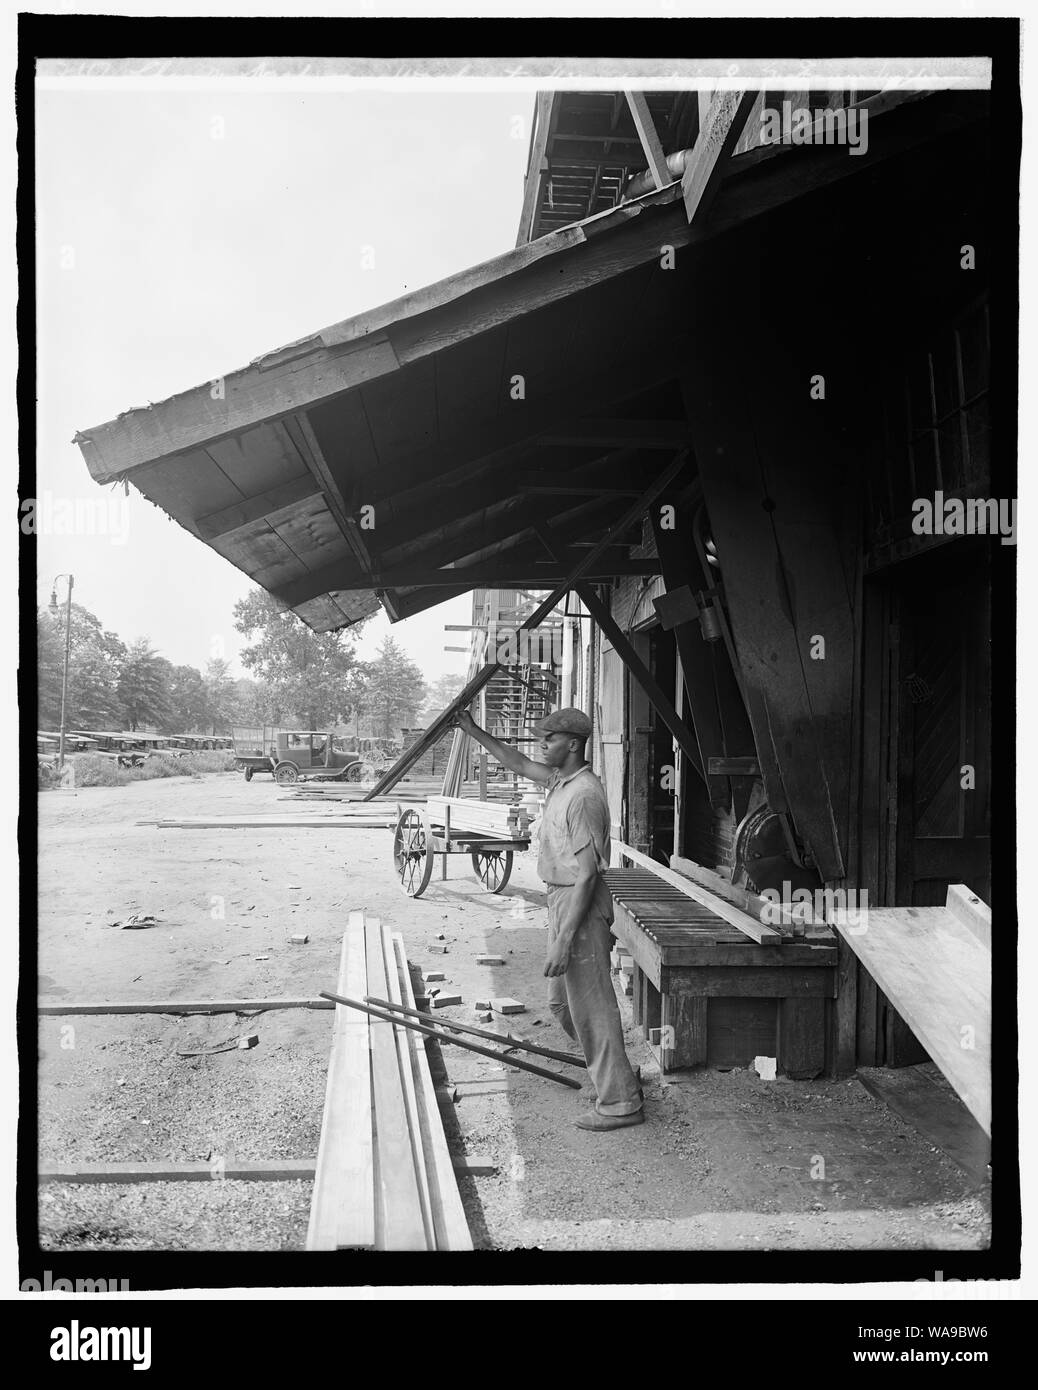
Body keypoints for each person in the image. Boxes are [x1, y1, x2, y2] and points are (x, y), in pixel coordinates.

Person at [454, 706, 644, 1131]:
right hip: (560, 900)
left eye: (549, 738)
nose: (542, 745)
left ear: (573, 744)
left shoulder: (583, 796)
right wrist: (472, 730)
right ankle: (619, 1076)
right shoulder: (561, 781)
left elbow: (589, 874)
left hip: (581, 903)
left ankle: (620, 1103)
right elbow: (518, 763)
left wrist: (563, 940)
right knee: (562, 1005)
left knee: (593, 1008)